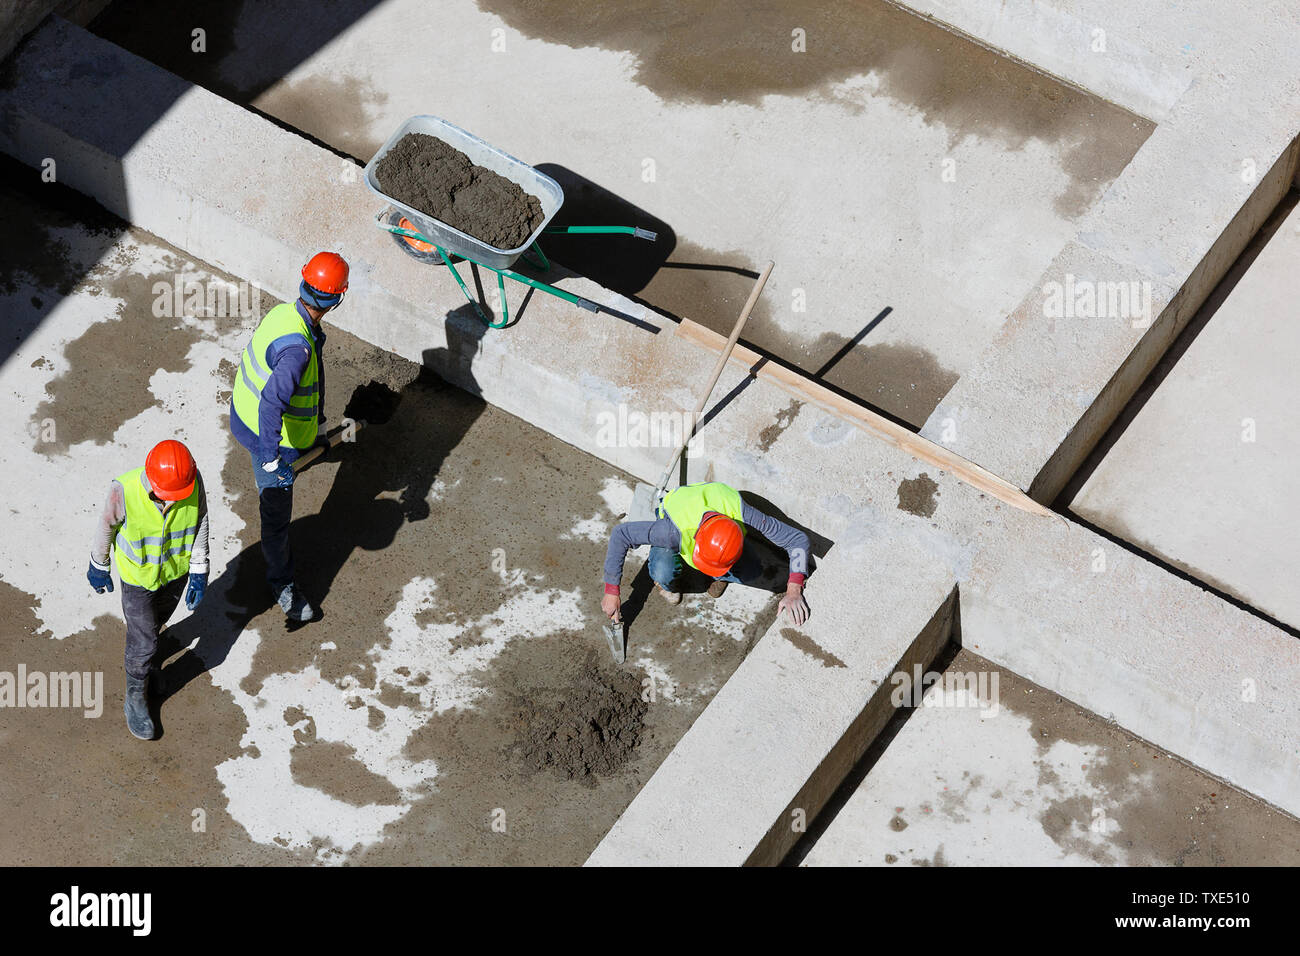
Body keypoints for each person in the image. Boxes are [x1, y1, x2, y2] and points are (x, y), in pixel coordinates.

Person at [229, 251, 348, 621]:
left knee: (309, 445)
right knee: (276, 517)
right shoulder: (297, 349)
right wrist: (271, 458)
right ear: (338, 297)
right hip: (268, 439)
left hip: (245, 416)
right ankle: (282, 585)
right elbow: (271, 404)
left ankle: (309, 445)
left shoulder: (286, 314)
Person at [87, 440, 208, 740]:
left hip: (173, 574)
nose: (172, 501)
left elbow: (201, 520)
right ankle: (135, 698)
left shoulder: (190, 480)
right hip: (137, 579)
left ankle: (151, 664)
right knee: (142, 640)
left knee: (157, 623)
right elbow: (106, 526)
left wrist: (199, 568)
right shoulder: (123, 490)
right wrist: (99, 565)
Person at [601, 481, 811, 625]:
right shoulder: (671, 532)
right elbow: (621, 534)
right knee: (663, 570)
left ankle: (715, 573)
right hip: (674, 514)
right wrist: (611, 591)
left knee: (754, 570)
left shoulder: (738, 508)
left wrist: (794, 590)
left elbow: (797, 539)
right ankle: (665, 584)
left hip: (713, 525)